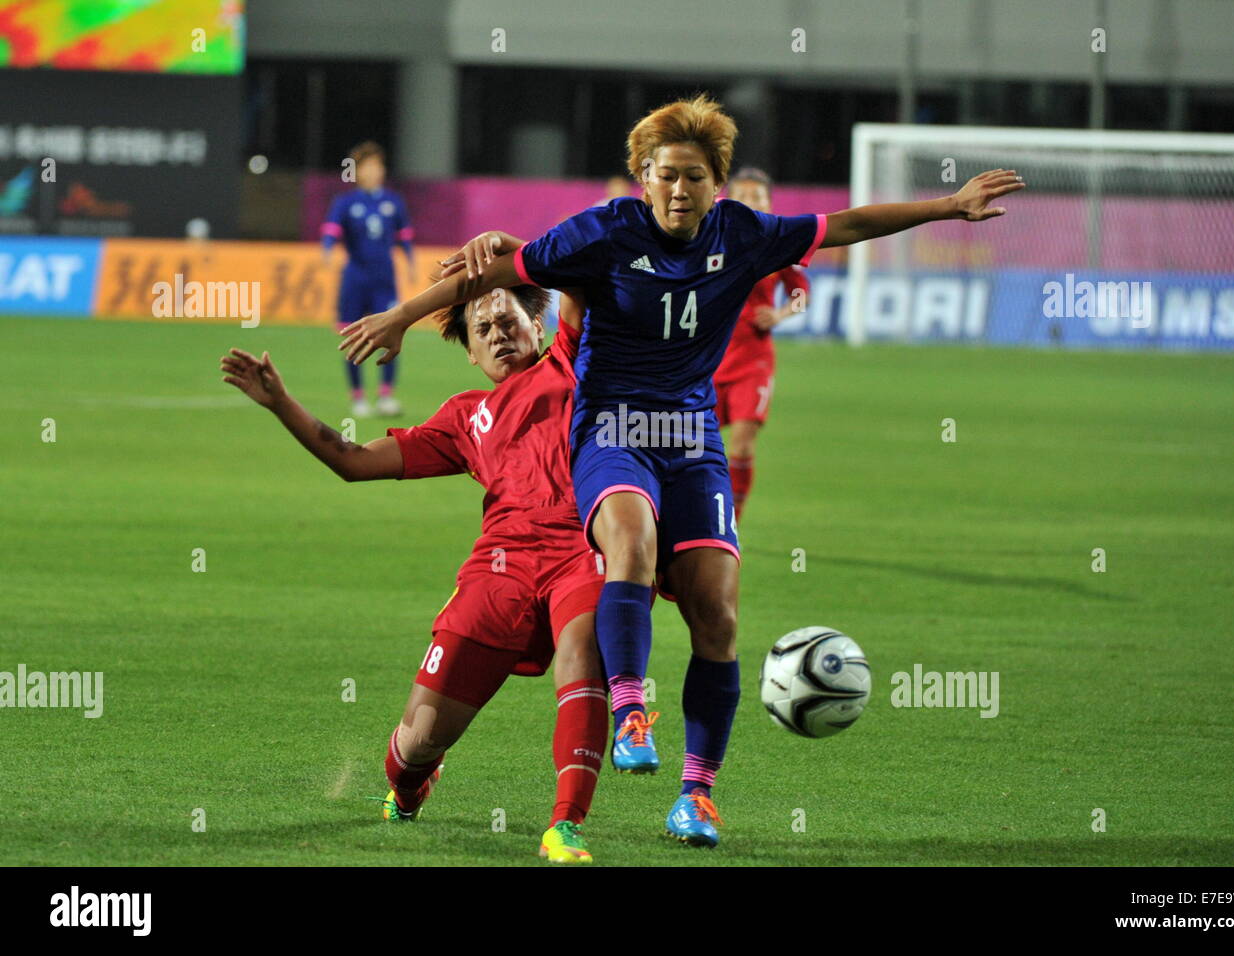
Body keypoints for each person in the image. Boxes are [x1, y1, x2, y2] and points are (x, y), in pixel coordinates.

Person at [338, 95, 1025, 848]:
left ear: (715, 185)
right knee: (627, 542)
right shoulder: (604, 231)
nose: (677, 190)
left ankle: (696, 796)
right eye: (664, 175)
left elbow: (847, 226)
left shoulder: (745, 234)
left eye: (693, 177)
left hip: (692, 436)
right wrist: (403, 316)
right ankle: (632, 709)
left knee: (718, 617)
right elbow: (503, 266)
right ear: (643, 177)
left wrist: (950, 206)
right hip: (611, 426)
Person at [221, 285, 610, 864]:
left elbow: (582, 276)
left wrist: (506, 257)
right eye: (483, 330)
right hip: (499, 570)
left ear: (538, 323)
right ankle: (411, 784)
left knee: (584, 655)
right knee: (419, 738)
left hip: (584, 551)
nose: (498, 332)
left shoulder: (574, 362)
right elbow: (353, 463)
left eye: (508, 320)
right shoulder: (465, 417)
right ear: (471, 356)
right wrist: (282, 403)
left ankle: (565, 825)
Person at [713, 167, 810, 521]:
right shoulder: (709, 239)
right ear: (728, 200)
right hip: (707, 362)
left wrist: (782, 313)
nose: (752, 202)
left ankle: (732, 519)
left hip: (753, 363)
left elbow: (802, 293)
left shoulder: (777, 244)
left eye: (759, 197)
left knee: (741, 445)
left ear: (770, 203)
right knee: (687, 445)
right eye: (744, 196)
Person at [321, 141, 417, 419]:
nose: (376, 171)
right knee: (353, 336)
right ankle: (358, 398)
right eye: (370, 166)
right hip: (355, 278)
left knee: (391, 332)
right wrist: (327, 249)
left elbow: (405, 238)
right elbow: (331, 231)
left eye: (379, 165)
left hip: (384, 278)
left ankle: (386, 395)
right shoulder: (346, 203)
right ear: (358, 171)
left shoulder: (393, 201)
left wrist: (410, 264)